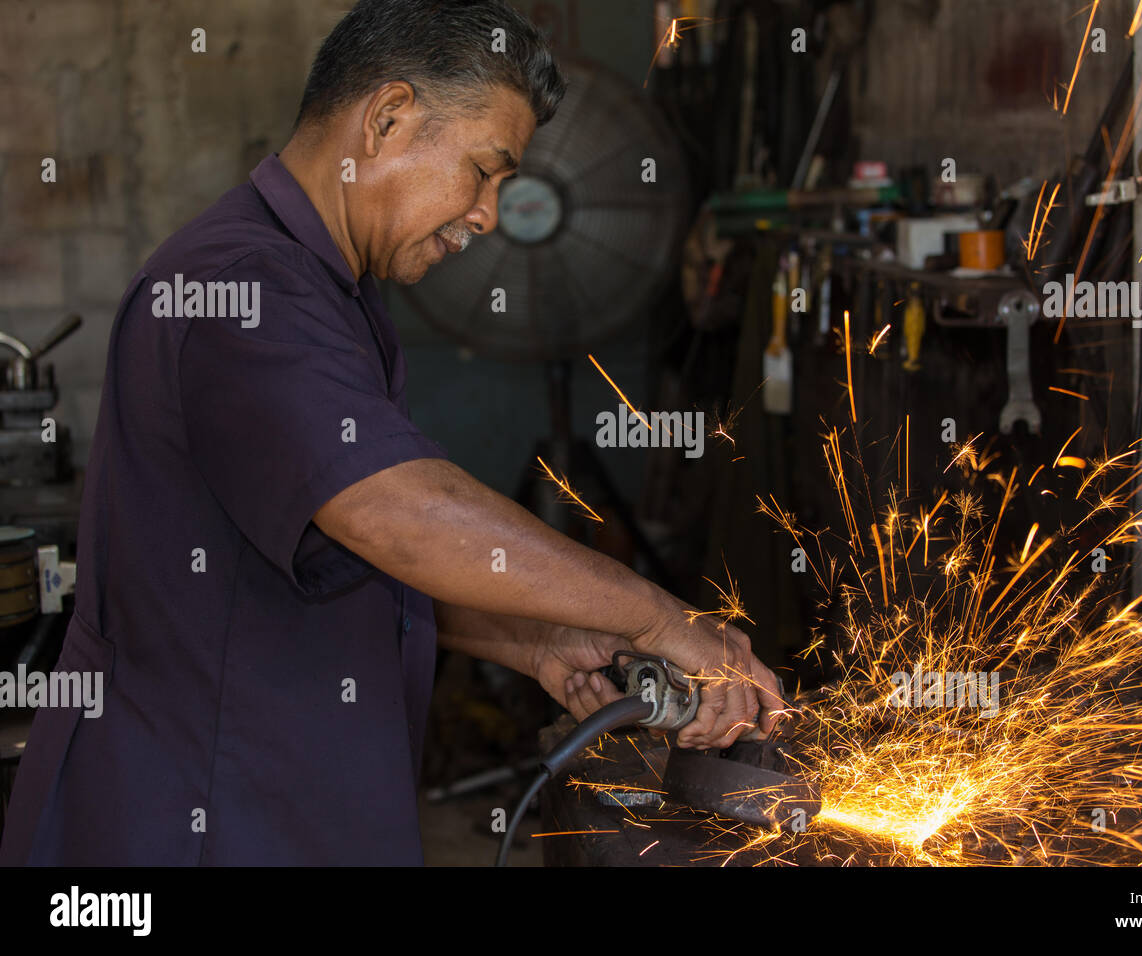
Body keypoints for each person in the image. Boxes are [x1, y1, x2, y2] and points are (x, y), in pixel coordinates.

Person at [0, 0, 781, 866]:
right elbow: (397, 517)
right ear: (387, 119)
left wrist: (534, 638)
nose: (489, 213)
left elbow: (333, 564)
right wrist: (662, 619)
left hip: (277, 799)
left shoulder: (332, 290)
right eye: (484, 170)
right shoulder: (243, 289)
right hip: (196, 813)